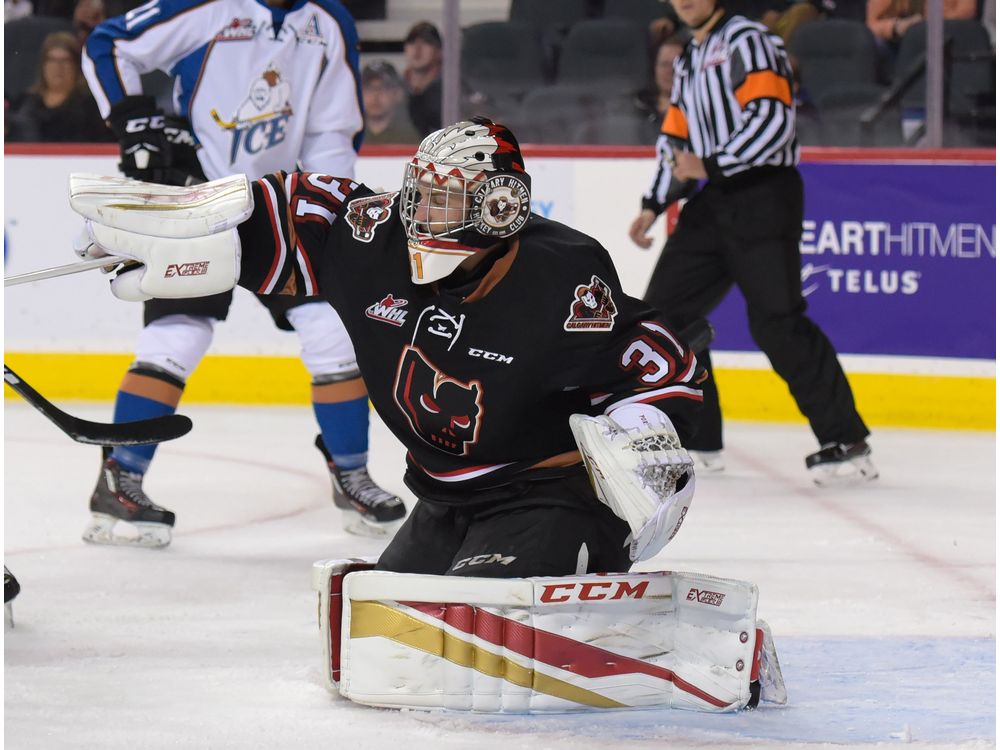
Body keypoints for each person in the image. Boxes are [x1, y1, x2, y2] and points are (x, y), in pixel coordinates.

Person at [74, 117, 707, 577]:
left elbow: (659, 360)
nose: (418, 215)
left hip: (543, 495)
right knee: (384, 617)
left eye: (444, 200)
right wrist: (193, 230)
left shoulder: (560, 277)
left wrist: (643, 435)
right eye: (419, 194)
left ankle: (590, 544)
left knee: (467, 620)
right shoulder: (376, 238)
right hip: (444, 496)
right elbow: (299, 212)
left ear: (499, 208)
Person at [80, 0, 405, 548]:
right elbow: (107, 44)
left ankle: (351, 474)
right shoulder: (206, 8)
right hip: (199, 199)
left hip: (282, 208)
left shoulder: (329, 22)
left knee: (332, 330)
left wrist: (330, 203)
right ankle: (121, 478)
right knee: (177, 334)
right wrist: (133, 118)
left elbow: (333, 127)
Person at [627, 0, 877, 485]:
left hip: (764, 193)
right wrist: (653, 203)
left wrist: (710, 164)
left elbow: (772, 119)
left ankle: (845, 441)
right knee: (664, 319)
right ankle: (698, 439)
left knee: (776, 322)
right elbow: (675, 136)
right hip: (715, 198)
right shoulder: (688, 58)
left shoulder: (750, 40)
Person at [6, 32, 112, 143]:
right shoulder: (24, 102)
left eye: (65, 61)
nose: (58, 67)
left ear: (76, 65)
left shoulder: (91, 107)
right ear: (43, 65)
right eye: (51, 60)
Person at [361, 60, 420, 145]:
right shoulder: (351, 137)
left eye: (384, 88)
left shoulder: (409, 139)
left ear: (398, 94)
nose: (375, 95)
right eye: (369, 88)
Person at [402, 20, 442, 137]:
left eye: (426, 43)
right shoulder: (394, 89)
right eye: (412, 42)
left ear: (440, 51)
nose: (417, 49)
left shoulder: (451, 93)